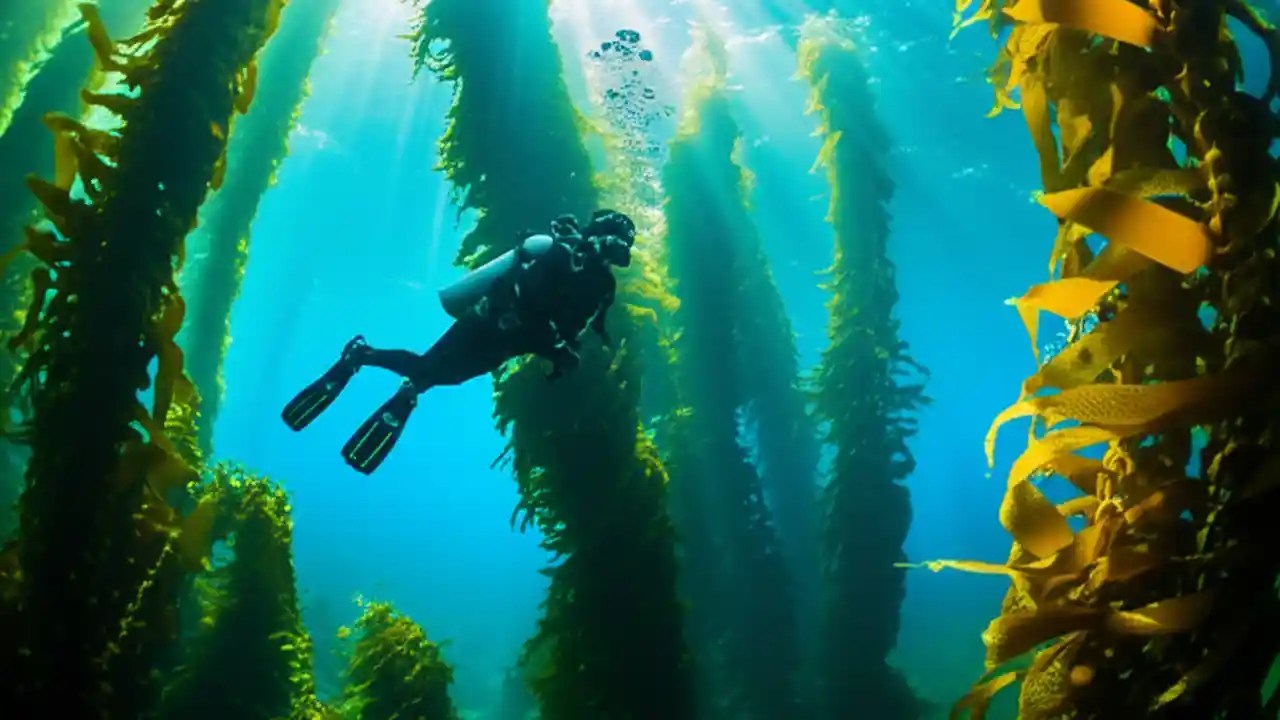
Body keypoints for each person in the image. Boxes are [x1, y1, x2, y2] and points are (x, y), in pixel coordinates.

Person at [280, 209, 637, 475]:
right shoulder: (560, 252)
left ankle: (398, 380)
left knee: (446, 376)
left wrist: (561, 353)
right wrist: (554, 347)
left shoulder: (600, 286)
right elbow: (529, 296)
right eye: (613, 238)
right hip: (486, 322)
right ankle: (368, 360)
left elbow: (576, 327)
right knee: (428, 368)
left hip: (507, 343)